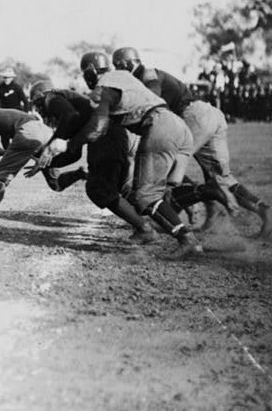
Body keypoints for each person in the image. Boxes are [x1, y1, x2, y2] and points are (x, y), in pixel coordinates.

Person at [38, 52, 202, 259]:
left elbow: (98, 126)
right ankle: (200, 208)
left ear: (90, 71)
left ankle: (187, 239)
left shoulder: (103, 88)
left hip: (159, 127)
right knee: (159, 190)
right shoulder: (124, 76)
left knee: (145, 196)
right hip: (178, 126)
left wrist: (67, 144)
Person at [111, 47, 272, 238]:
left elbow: (153, 99)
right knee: (221, 178)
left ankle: (175, 213)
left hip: (193, 115)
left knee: (166, 163)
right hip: (208, 115)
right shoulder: (144, 76)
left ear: (124, 64)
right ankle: (265, 212)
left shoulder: (147, 74)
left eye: (118, 67)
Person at [0, 99, 52, 226]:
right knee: (56, 182)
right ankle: (82, 173)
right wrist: (38, 157)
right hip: (46, 133)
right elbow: (11, 137)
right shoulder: (5, 114)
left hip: (29, 132)